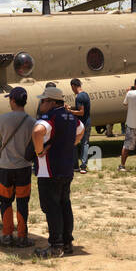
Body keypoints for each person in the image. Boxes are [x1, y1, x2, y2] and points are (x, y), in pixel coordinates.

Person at [32, 85, 84, 259]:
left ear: (52, 102)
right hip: (67, 168)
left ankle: (55, 246)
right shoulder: (71, 116)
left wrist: (39, 152)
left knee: (52, 207)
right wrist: (70, 144)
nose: (41, 103)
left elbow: (37, 132)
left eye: (43, 100)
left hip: (49, 170)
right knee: (64, 204)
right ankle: (67, 242)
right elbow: (81, 130)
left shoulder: (49, 117)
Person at [0, 87, 35, 245]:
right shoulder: (32, 121)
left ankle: (7, 234)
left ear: (12, 100)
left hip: (5, 168)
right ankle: (22, 236)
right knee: (22, 202)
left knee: (5, 201)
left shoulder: (1, 119)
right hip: (24, 168)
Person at [69, 78, 92, 173]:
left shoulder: (79, 97)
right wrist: (71, 107)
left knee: (74, 143)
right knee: (85, 143)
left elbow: (81, 112)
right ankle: (84, 166)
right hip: (88, 122)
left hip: (80, 124)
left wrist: (70, 111)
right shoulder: (85, 94)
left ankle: (76, 166)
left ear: (73, 86)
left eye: (72, 88)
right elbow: (82, 108)